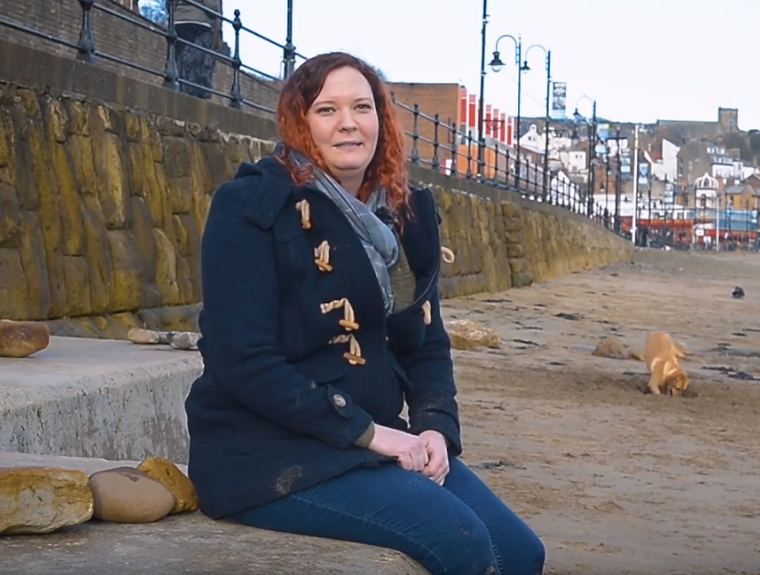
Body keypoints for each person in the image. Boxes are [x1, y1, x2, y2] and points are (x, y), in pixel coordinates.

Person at [183, 52, 545, 575]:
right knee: (459, 540)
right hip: (266, 454)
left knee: (521, 553)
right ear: (300, 122)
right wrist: (370, 433)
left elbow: (426, 344)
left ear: (381, 119)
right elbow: (243, 361)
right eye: (327, 110)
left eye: (361, 107)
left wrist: (434, 429)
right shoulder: (250, 208)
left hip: (370, 441)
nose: (348, 123)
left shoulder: (403, 213)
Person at [173, 0, 223, 99]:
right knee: (197, 71)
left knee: (178, 65)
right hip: (199, 24)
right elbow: (212, 7)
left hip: (177, 22)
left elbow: (169, 4)